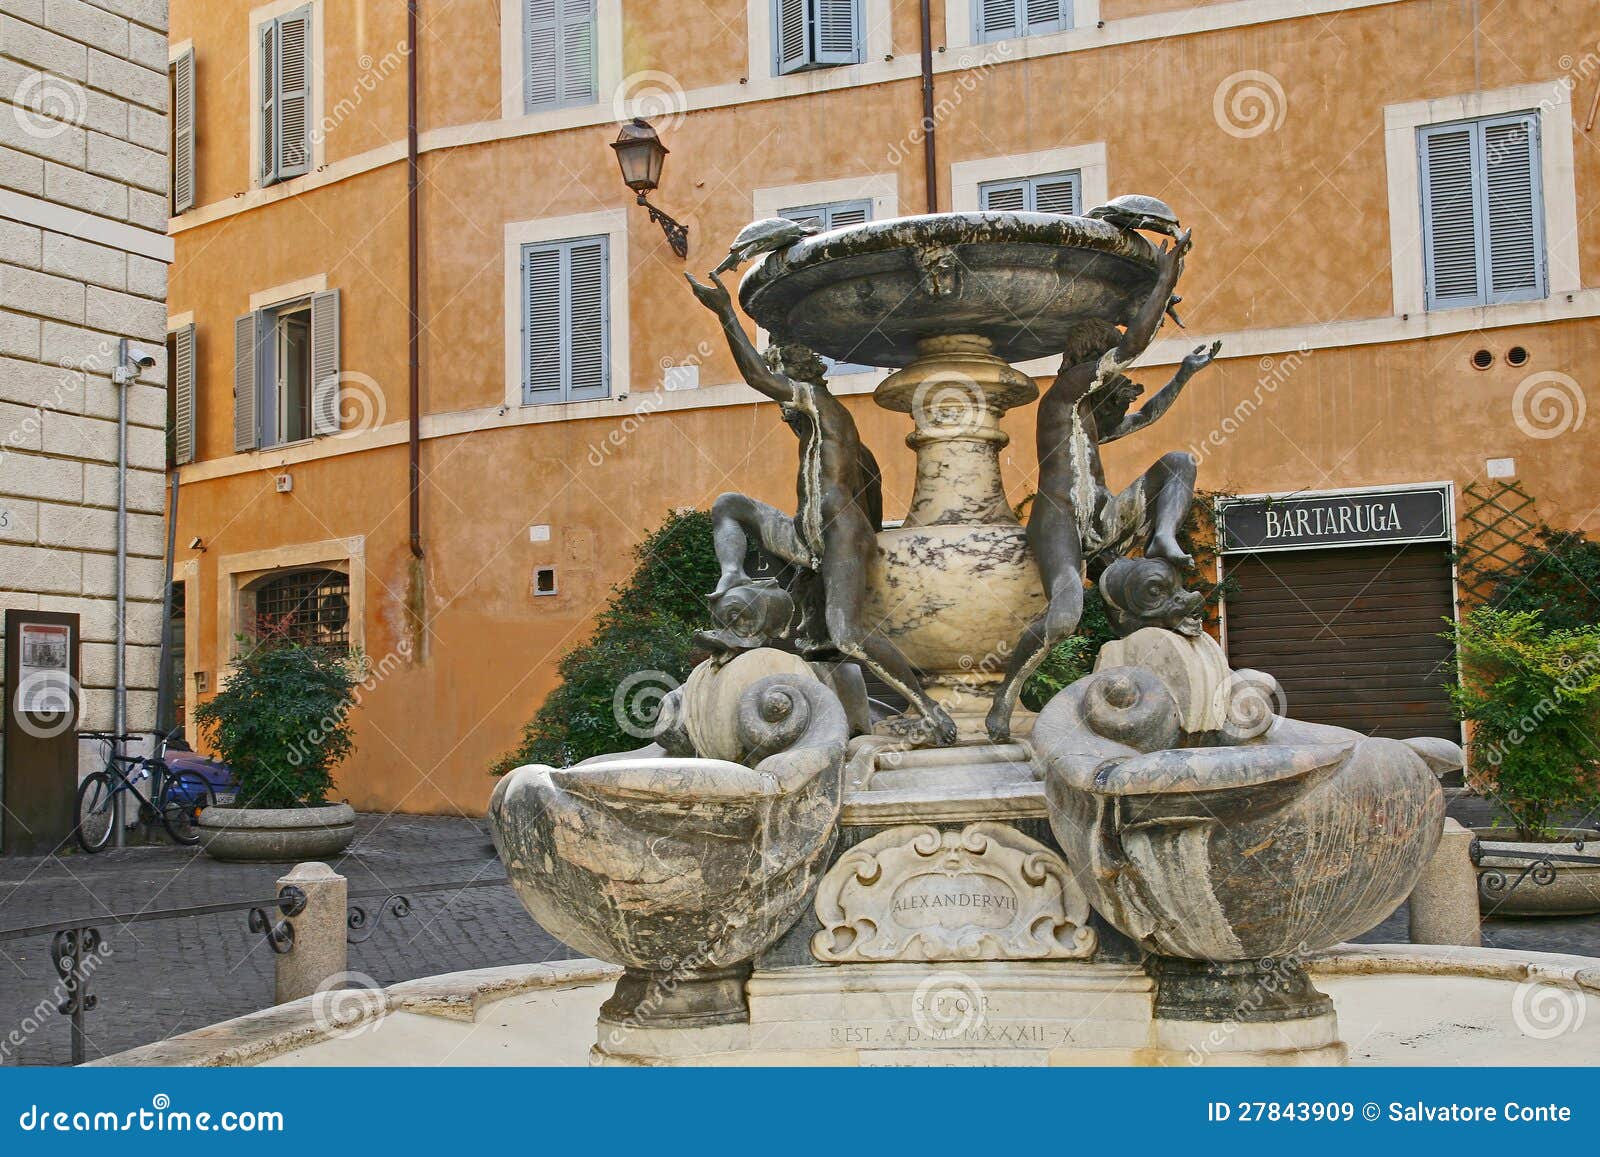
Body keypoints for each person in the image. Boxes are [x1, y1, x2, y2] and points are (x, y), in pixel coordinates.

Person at [685, 270, 958, 746]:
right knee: (731, 505)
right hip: (808, 531)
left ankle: (928, 709)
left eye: (783, 382)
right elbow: (870, 478)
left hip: (836, 536)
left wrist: (726, 312)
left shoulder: (818, 403)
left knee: (847, 634)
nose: (782, 406)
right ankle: (731, 578)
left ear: (799, 375)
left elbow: (756, 377)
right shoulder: (820, 432)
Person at [986, 230, 1221, 742]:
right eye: (1109, 361)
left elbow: (1143, 420)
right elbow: (1134, 343)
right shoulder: (1064, 396)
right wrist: (1164, 276)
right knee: (1066, 609)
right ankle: (1005, 700)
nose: (1116, 372)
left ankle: (1162, 536)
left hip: (1102, 513)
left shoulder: (1087, 418)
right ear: (1091, 360)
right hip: (1061, 518)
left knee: (1178, 462)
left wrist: (1183, 375)